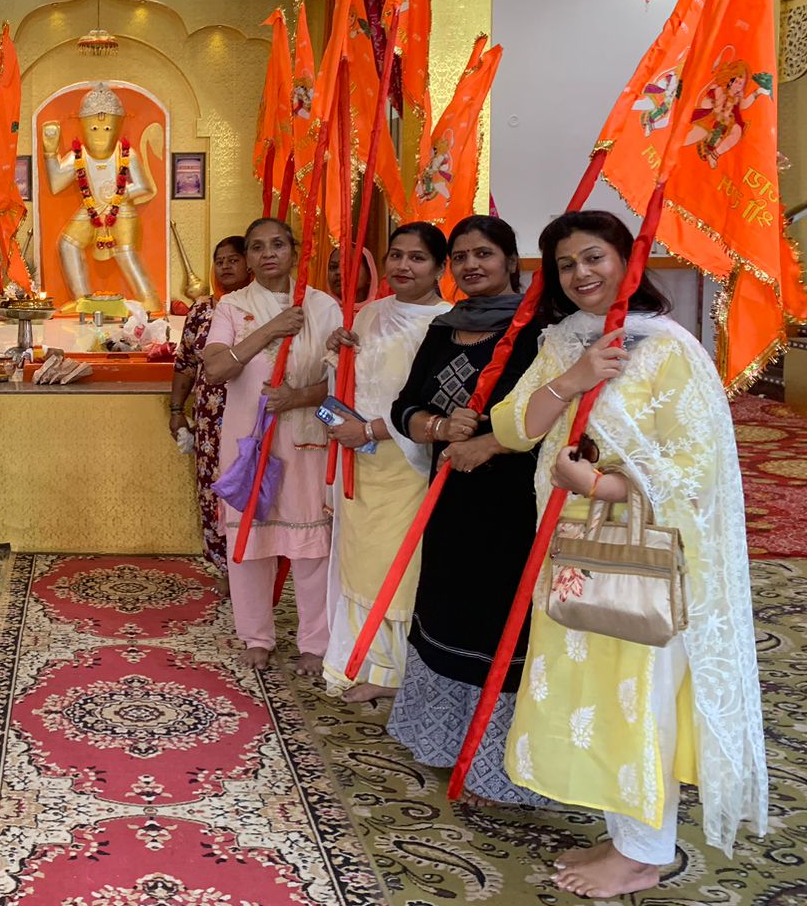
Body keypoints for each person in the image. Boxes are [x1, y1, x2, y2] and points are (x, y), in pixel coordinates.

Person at [489, 211, 767, 898]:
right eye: (565, 264)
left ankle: (645, 855)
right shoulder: (565, 342)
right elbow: (516, 428)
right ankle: (627, 835)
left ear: (628, 260)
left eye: (595, 257)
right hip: (571, 551)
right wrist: (574, 377)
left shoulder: (667, 348)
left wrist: (599, 483)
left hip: (644, 555)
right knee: (592, 697)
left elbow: (694, 468)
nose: (581, 274)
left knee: (639, 696)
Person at [385, 216, 548, 807]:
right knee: (447, 607)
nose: (471, 265)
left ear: (511, 260)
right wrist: (434, 424)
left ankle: (498, 764)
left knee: (500, 622)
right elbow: (407, 403)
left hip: (512, 503)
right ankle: (445, 741)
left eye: (484, 254)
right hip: (450, 492)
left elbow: (553, 414)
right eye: (460, 257)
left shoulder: (540, 330)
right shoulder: (444, 328)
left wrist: (490, 436)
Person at [202, 217, 342, 673]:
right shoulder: (232, 306)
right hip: (249, 442)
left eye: (277, 244)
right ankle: (256, 637)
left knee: (311, 547)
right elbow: (217, 369)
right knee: (249, 542)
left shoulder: (324, 307)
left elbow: (339, 382)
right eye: (257, 247)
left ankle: (315, 644)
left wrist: (298, 397)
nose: (268, 254)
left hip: (307, 437)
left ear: (294, 250)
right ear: (248, 258)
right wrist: (270, 330)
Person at [320, 223, 451, 703]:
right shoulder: (368, 314)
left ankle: (395, 671)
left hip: (409, 463)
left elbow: (434, 403)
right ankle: (359, 659)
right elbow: (350, 385)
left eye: (417, 258)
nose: (402, 266)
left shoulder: (446, 322)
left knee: (398, 566)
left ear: (440, 267)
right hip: (360, 462)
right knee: (359, 564)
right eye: (396, 255)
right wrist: (336, 356)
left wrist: (371, 430)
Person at [169, 235, 251, 577]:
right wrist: (176, 411)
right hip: (209, 419)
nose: (226, 266)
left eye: (234, 259)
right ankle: (223, 566)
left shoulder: (261, 308)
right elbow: (186, 363)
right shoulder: (202, 310)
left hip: (251, 416)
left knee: (248, 487)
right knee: (211, 489)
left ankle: (251, 566)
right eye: (220, 261)